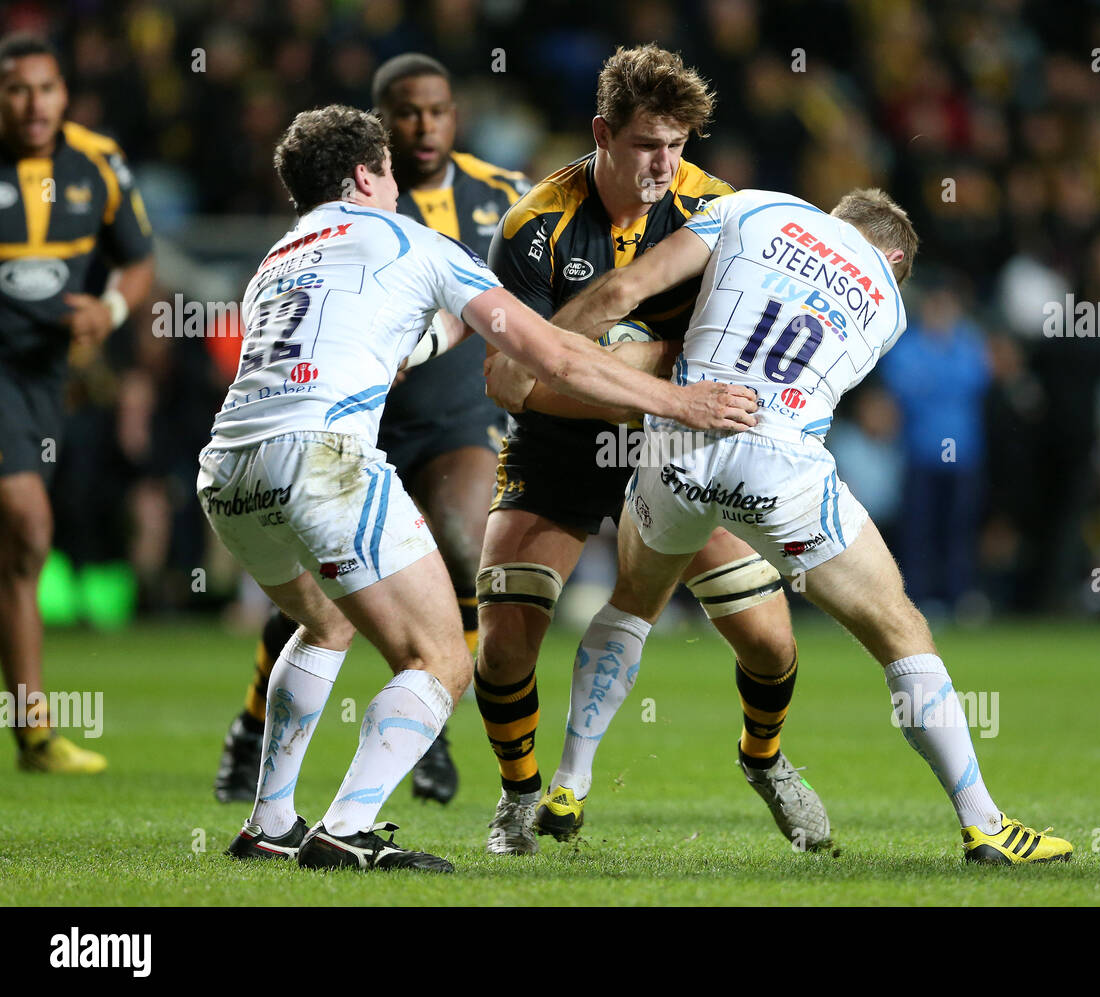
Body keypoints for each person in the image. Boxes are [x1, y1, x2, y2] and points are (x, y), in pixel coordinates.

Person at [203, 104, 754, 872]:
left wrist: (418, 342)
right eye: (390, 170)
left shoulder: (277, 257)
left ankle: (269, 822)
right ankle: (347, 828)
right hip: (320, 458)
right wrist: (682, 402)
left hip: (227, 468)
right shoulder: (413, 240)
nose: (398, 184)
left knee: (324, 622)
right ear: (366, 174)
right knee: (441, 658)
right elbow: (553, 357)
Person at [505, 185, 1074, 864]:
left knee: (633, 599)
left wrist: (537, 348)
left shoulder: (754, 206)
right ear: (892, 256)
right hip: (778, 463)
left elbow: (626, 286)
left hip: (680, 438)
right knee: (899, 626)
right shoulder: (889, 305)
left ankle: (570, 782)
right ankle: (985, 825)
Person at [476, 44, 829, 855]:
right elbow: (509, 383)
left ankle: (766, 759)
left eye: (678, 145)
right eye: (645, 144)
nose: (665, 164)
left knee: (773, 640)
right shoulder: (536, 228)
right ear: (602, 132)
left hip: (678, 448)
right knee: (503, 639)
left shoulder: (719, 210)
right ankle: (521, 796)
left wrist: (638, 380)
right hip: (559, 445)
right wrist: (640, 380)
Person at [212, 53, 529, 806]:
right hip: (355, 420)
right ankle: (255, 726)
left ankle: (431, 728)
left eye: (439, 109)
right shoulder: (359, 214)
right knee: (322, 599)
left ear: (457, 114)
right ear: (375, 140)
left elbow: (519, 298)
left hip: (454, 415)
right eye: (406, 113)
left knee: (459, 543)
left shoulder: (507, 197)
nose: (424, 125)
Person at [0, 34, 153, 773]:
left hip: (38, 379)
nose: (33, 104)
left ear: (64, 93)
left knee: (22, 548)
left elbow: (139, 260)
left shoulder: (96, 163)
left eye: (45, 88)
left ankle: (32, 734)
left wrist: (111, 314)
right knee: (28, 521)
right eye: (16, 89)